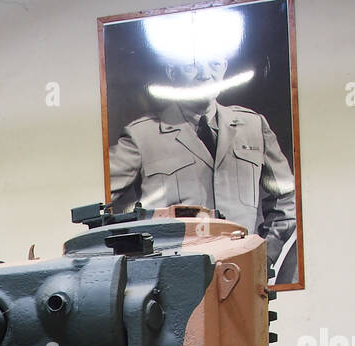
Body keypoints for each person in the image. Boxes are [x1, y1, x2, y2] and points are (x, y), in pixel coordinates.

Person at [108, 12, 298, 283]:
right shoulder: (143, 136)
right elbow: (100, 203)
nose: (205, 75)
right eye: (191, 66)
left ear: (224, 67)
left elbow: (286, 198)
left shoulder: (253, 126)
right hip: (173, 280)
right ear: (171, 72)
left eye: (215, 64)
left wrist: (265, 254)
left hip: (241, 276)